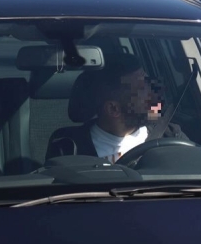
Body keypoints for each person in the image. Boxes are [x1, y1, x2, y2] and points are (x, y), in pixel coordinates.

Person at [45, 53, 190, 162]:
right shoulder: (69, 148)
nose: (154, 93)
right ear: (113, 109)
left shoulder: (170, 135)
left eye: (148, 82)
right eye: (142, 90)